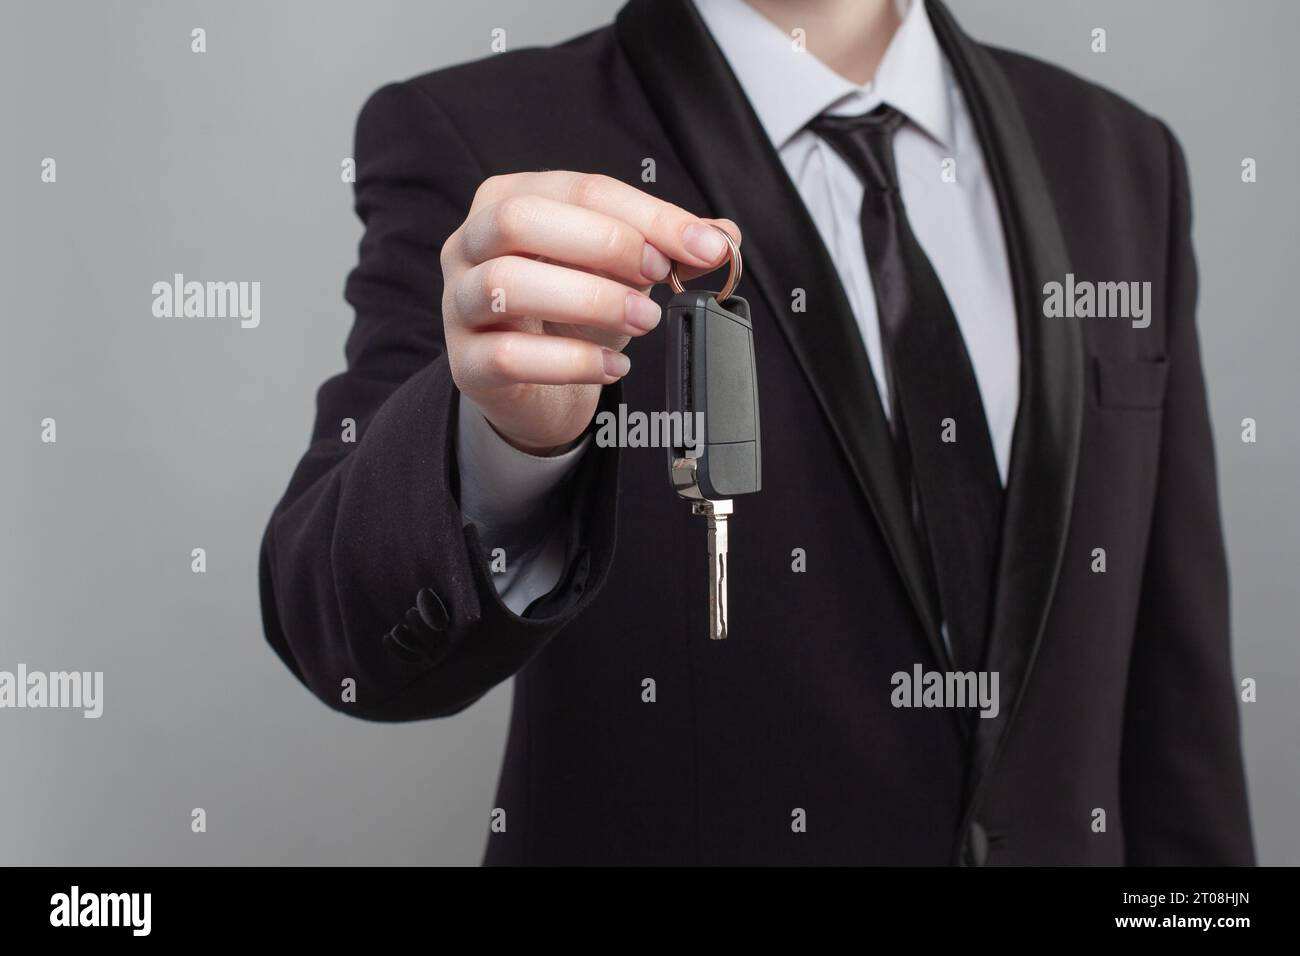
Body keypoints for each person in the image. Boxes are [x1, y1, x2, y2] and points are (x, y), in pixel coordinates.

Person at [258, 0, 1254, 865]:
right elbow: (336, 628)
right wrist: (502, 442)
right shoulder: (487, 138)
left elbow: (1179, 705)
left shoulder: (1121, 157)